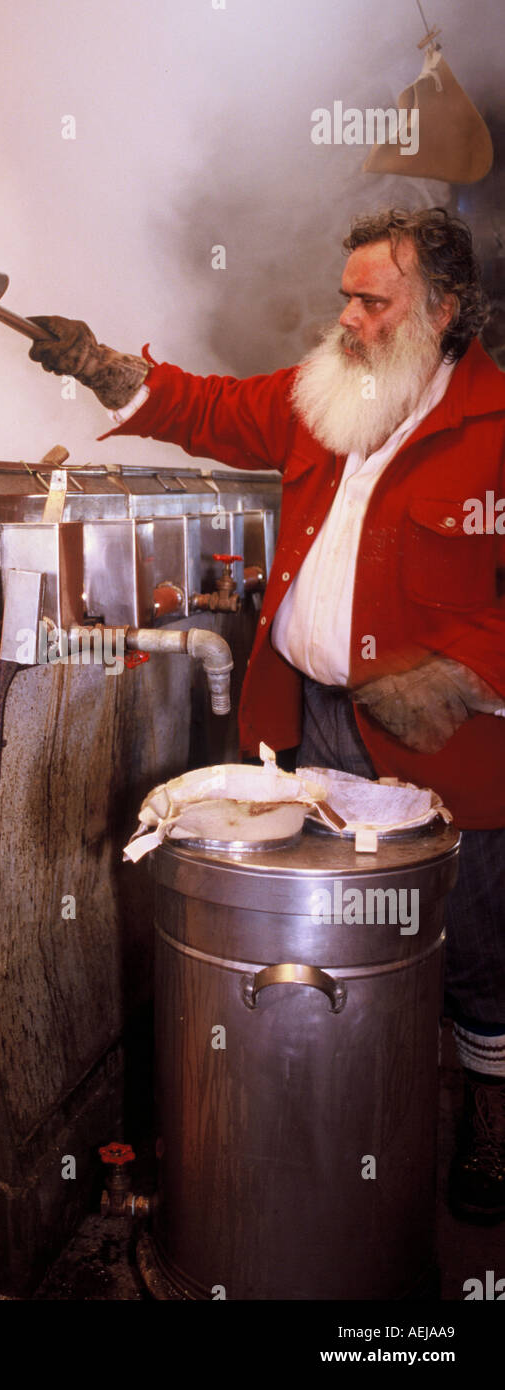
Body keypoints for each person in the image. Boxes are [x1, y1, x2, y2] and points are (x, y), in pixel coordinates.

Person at [28, 206, 505, 1222]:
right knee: (328, 932)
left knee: (472, 950)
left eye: (371, 301)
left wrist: (464, 669)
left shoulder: (496, 426)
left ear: (442, 310)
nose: (346, 317)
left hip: (455, 747)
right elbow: (202, 408)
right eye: (344, 294)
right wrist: (106, 366)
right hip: (313, 723)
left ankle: (489, 1135)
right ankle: (348, 1115)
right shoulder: (322, 398)